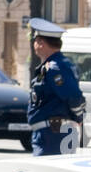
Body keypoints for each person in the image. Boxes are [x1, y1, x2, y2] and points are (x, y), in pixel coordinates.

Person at [27, 18, 86, 156]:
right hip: (48, 134)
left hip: (53, 135)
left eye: (35, 40)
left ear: (41, 43)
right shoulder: (52, 66)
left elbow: (74, 96)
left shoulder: (56, 68)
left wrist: (79, 118)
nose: (34, 44)